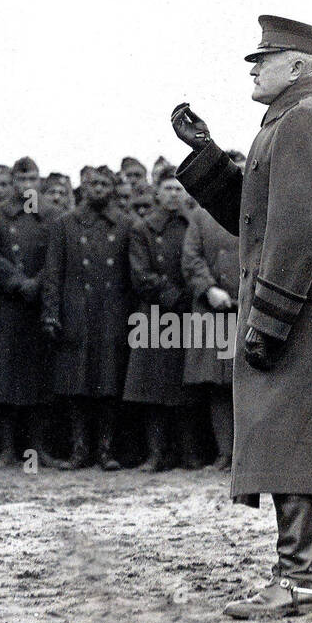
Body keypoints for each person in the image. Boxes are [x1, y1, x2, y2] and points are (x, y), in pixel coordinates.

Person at [171, 14, 312, 618]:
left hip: (307, 299)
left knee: (293, 434)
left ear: (297, 67)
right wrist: (208, 157)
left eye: (263, 58)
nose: (253, 67)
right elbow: (260, 210)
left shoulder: (301, 121)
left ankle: (297, 576)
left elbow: (297, 229)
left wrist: (269, 318)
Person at [42, 165, 133, 471]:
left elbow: (130, 275)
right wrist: (51, 314)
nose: (99, 189)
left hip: (112, 312)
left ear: (113, 188)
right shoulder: (65, 224)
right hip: (76, 312)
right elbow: (53, 274)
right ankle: (80, 450)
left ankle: (106, 450)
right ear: (83, 185)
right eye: (93, 183)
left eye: (105, 183)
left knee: (108, 385)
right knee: (76, 385)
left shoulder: (125, 224)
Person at [0, 158, 56, 467]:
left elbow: (56, 256)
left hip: (39, 305)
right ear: (11, 181)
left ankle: (38, 449)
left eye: (32, 178)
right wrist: (17, 282)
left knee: (40, 379)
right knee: (4, 379)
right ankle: (6, 448)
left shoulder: (52, 216)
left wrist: (37, 284)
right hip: (7, 307)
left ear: (40, 180)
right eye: (21, 179)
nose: (27, 184)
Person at [124, 171, 199, 470]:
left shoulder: (193, 224)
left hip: (188, 314)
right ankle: (155, 455)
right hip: (154, 315)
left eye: (179, 189)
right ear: (157, 193)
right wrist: (172, 295)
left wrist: (190, 295)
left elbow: (198, 260)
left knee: (186, 385)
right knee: (152, 388)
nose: (173, 194)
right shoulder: (142, 228)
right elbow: (140, 275)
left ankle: (188, 453)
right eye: (167, 188)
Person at [181, 201, 239, 471]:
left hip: (252, 309)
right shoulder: (202, 216)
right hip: (213, 310)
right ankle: (225, 453)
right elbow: (191, 258)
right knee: (218, 385)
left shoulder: (263, 209)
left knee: (251, 383)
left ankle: (249, 456)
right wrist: (209, 289)